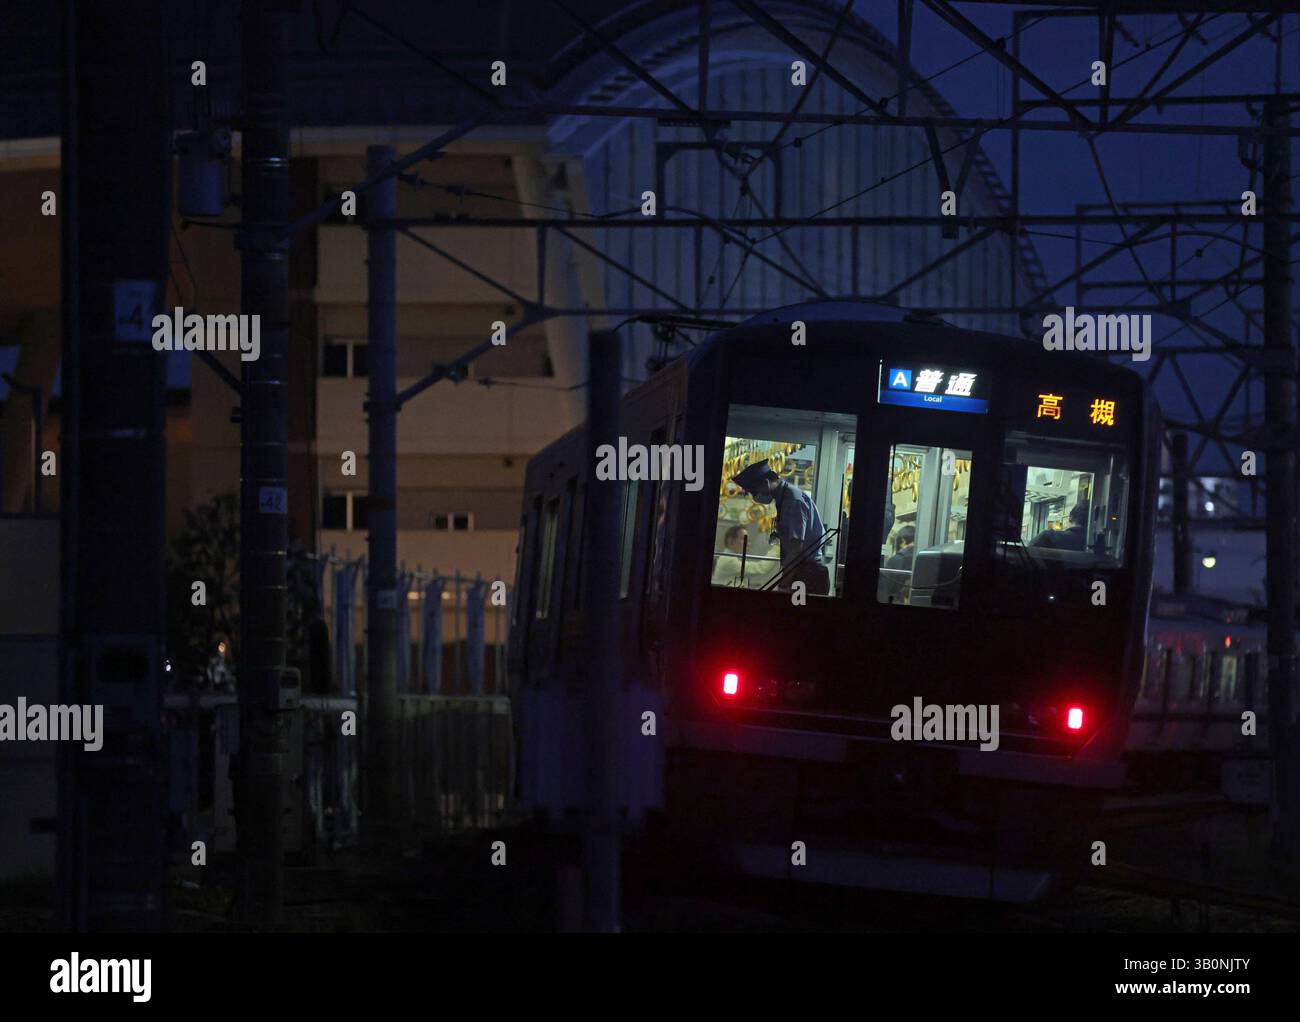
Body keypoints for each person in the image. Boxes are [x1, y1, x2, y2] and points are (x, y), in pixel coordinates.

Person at [732, 459, 830, 594]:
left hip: (808, 574)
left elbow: (796, 546)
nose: (754, 496)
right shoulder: (783, 498)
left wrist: (784, 582)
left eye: (754, 492)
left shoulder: (792, 500)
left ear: (766, 483)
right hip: (801, 570)